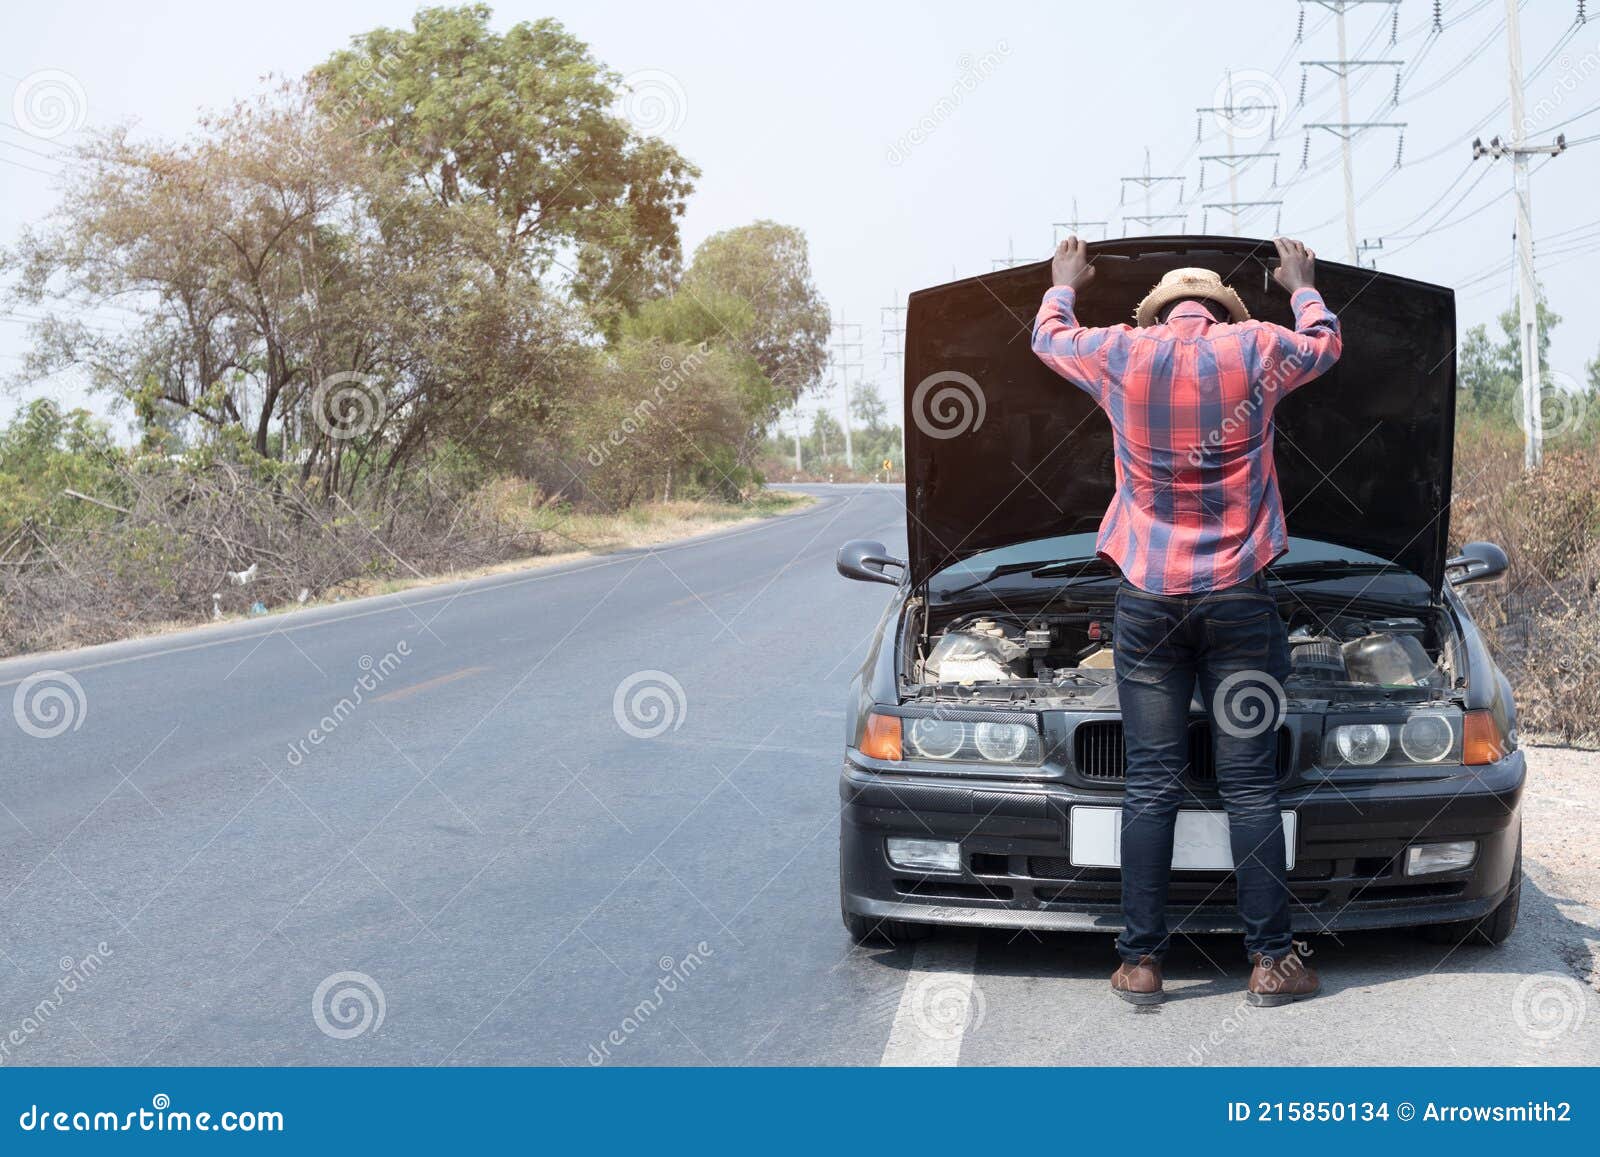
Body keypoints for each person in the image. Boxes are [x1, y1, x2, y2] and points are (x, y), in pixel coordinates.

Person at [1031, 237, 1342, 1007]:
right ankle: (1271, 961)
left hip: (1146, 602)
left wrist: (1064, 285)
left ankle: (1140, 961)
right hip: (1241, 600)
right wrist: (1301, 285)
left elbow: (1045, 338)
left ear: (1158, 312)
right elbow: (1326, 345)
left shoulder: (1120, 353)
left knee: (1150, 784)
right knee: (1248, 785)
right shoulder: (1259, 347)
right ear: (1225, 310)